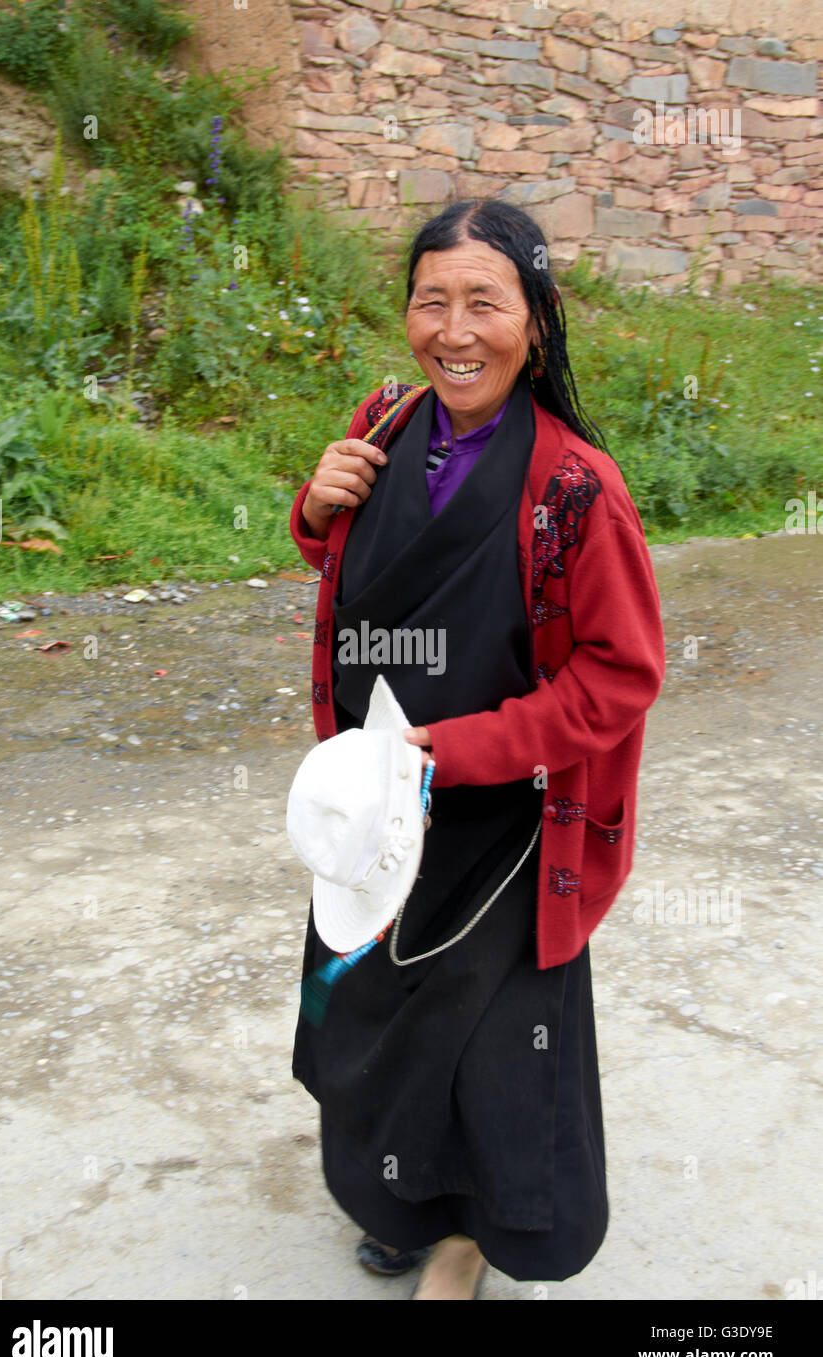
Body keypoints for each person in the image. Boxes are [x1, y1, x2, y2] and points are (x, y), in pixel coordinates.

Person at [288, 198, 665, 1299]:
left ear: (536, 322)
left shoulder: (575, 491)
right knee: (369, 1015)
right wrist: (316, 509)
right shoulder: (385, 423)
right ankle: (394, 1207)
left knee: (484, 1043)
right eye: (430, 299)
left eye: (484, 303)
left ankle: (472, 1238)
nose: (454, 329)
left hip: (503, 825)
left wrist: (448, 753)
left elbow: (620, 675)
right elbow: (354, 566)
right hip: (373, 809)